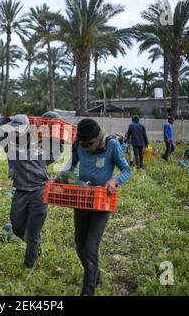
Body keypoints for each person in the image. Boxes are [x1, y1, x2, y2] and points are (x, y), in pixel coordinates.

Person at [0, 114, 63, 269]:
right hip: (20, 191)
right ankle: (34, 244)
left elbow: (58, 150)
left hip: (40, 191)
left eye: (20, 130)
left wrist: (58, 139)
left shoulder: (40, 143)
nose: (16, 133)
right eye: (14, 130)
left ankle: (29, 266)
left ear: (28, 128)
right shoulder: (9, 143)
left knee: (34, 233)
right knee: (17, 228)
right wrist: (8, 118)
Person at [68, 119, 132, 296]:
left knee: (90, 247)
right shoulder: (79, 145)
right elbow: (71, 166)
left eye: (88, 144)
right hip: (81, 201)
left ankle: (88, 291)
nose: (85, 147)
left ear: (97, 138)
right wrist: (65, 177)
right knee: (80, 246)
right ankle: (95, 274)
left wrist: (114, 180)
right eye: (82, 144)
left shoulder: (111, 145)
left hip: (102, 203)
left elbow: (127, 170)